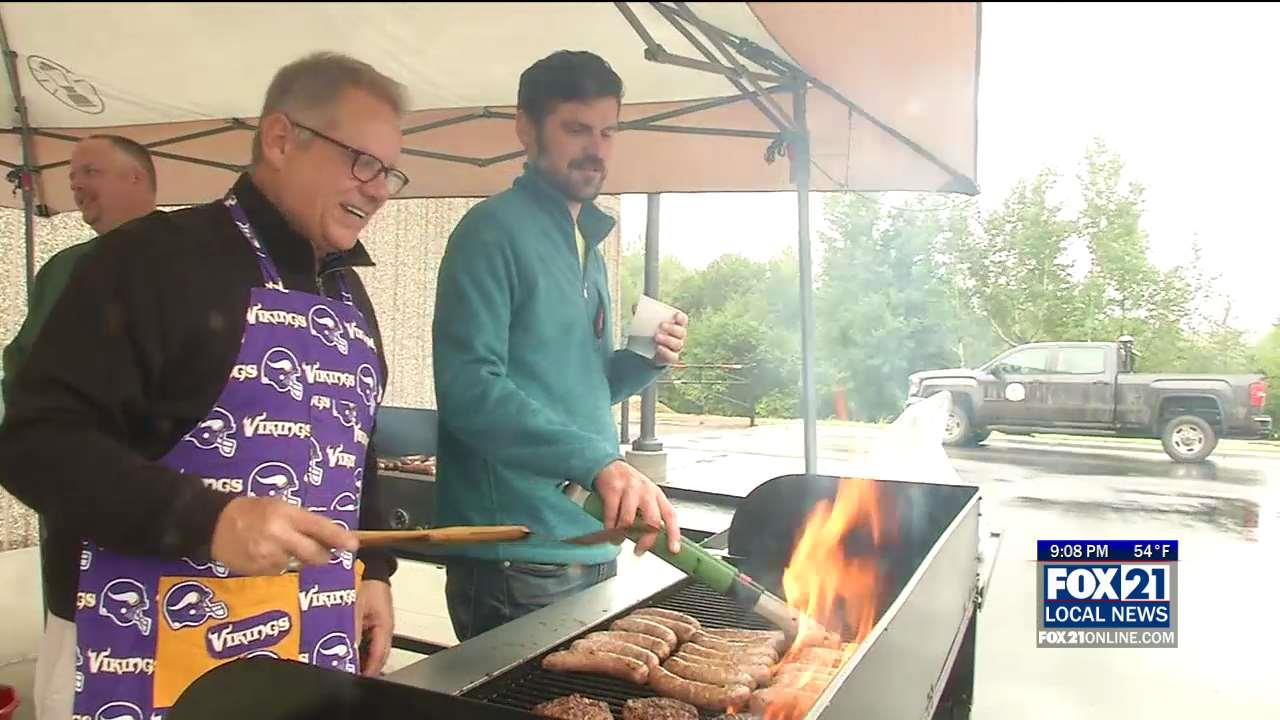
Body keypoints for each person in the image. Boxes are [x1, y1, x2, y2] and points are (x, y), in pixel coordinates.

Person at [0, 51, 408, 719]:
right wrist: (206, 518)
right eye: (362, 161)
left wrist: (375, 574)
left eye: (389, 170)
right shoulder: (147, 261)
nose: (380, 188)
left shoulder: (348, 290)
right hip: (138, 656)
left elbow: (354, 445)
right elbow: (36, 441)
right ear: (280, 139)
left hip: (310, 648)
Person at [431, 50, 690, 641]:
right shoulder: (490, 232)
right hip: (516, 550)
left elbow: (581, 385)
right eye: (576, 129)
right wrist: (598, 462)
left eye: (608, 131)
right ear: (526, 127)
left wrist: (643, 360)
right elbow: (470, 389)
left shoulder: (588, 246)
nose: (595, 148)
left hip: (589, 535)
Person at [1, 134, 160, 403]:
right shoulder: (62, 266)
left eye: (90, 171)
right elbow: (25, 360)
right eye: (72, 177)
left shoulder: (193, 253)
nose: (76, 185)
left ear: (136, 177)